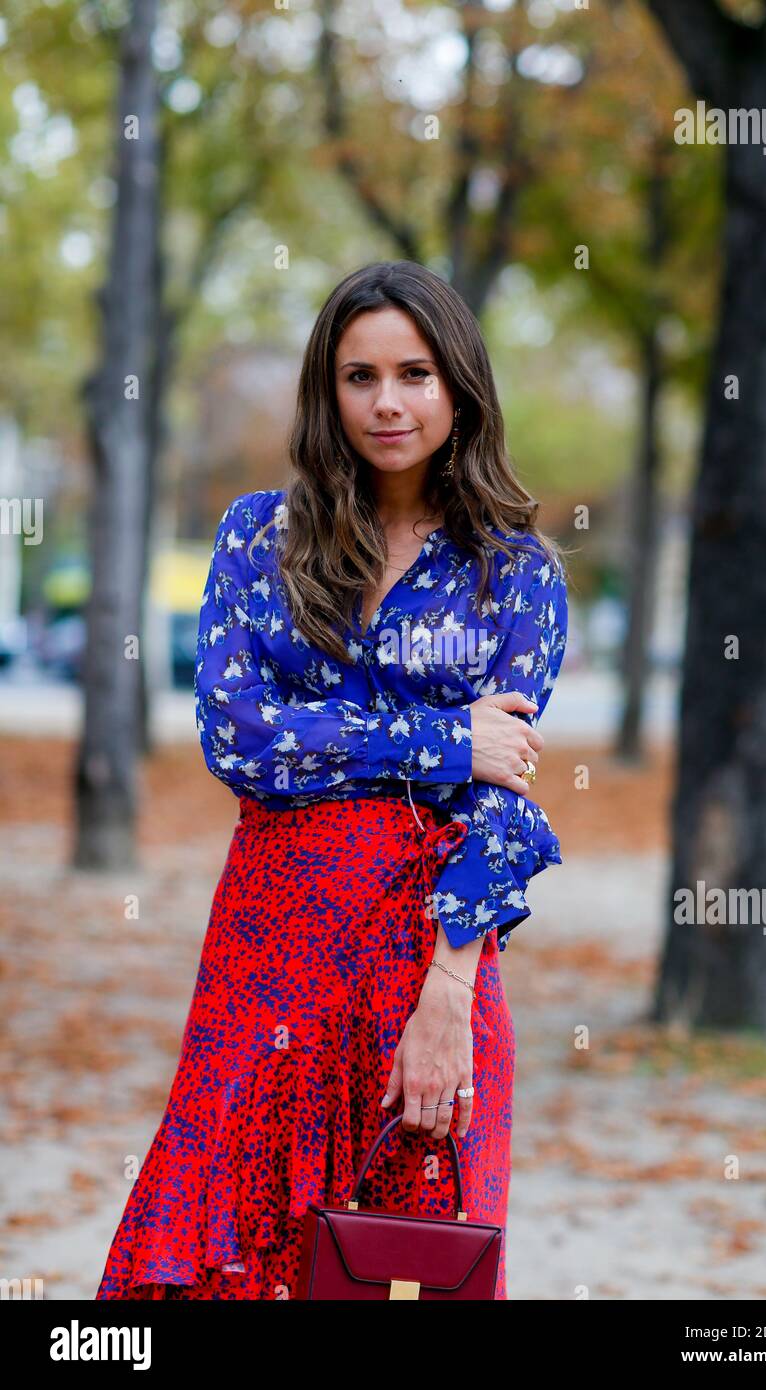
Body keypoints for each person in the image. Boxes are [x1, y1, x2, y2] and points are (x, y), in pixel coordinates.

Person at [95, 260, 569, 1301]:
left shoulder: (515, 574)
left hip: (427, 956)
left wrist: (448, 988)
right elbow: (242, 736)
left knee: (400, 1259)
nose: (387, 403)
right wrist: (445, 741)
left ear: (459, 387)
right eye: (360, 376)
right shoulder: (259, 538)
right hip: (268, 952)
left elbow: (504, 803)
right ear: (327, 389)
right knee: (230, 1247)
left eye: (414, 373)